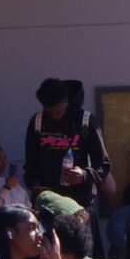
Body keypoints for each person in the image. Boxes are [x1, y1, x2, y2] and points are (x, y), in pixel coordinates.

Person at [22, 79, 109, 208]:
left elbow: (104, 165)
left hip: (78, 203)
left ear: (66, 101)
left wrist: (84, 175)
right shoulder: (37, 121)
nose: (54, 117)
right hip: (47, 203)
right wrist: (34, 185)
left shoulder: (86, 121)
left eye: (58, 112)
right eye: (49, 114)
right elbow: (30, 164)